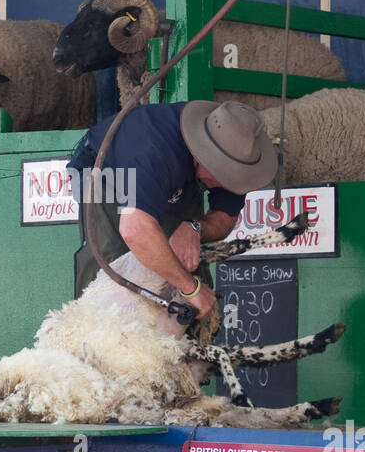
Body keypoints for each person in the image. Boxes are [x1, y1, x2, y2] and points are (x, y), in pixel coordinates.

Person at [70, 100, 277, 319]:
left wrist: (196, 228)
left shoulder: (236, 150)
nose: (226, 183)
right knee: (114, 269)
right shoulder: (152, 151)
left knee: (186, 259)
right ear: (202, 153)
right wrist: (191, 289)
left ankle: (188, 345)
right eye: (221, 172)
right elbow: (135, 229)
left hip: (174, 179)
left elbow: (225, 217)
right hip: (109, 172)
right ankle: (94, 338)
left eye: (231, 175)